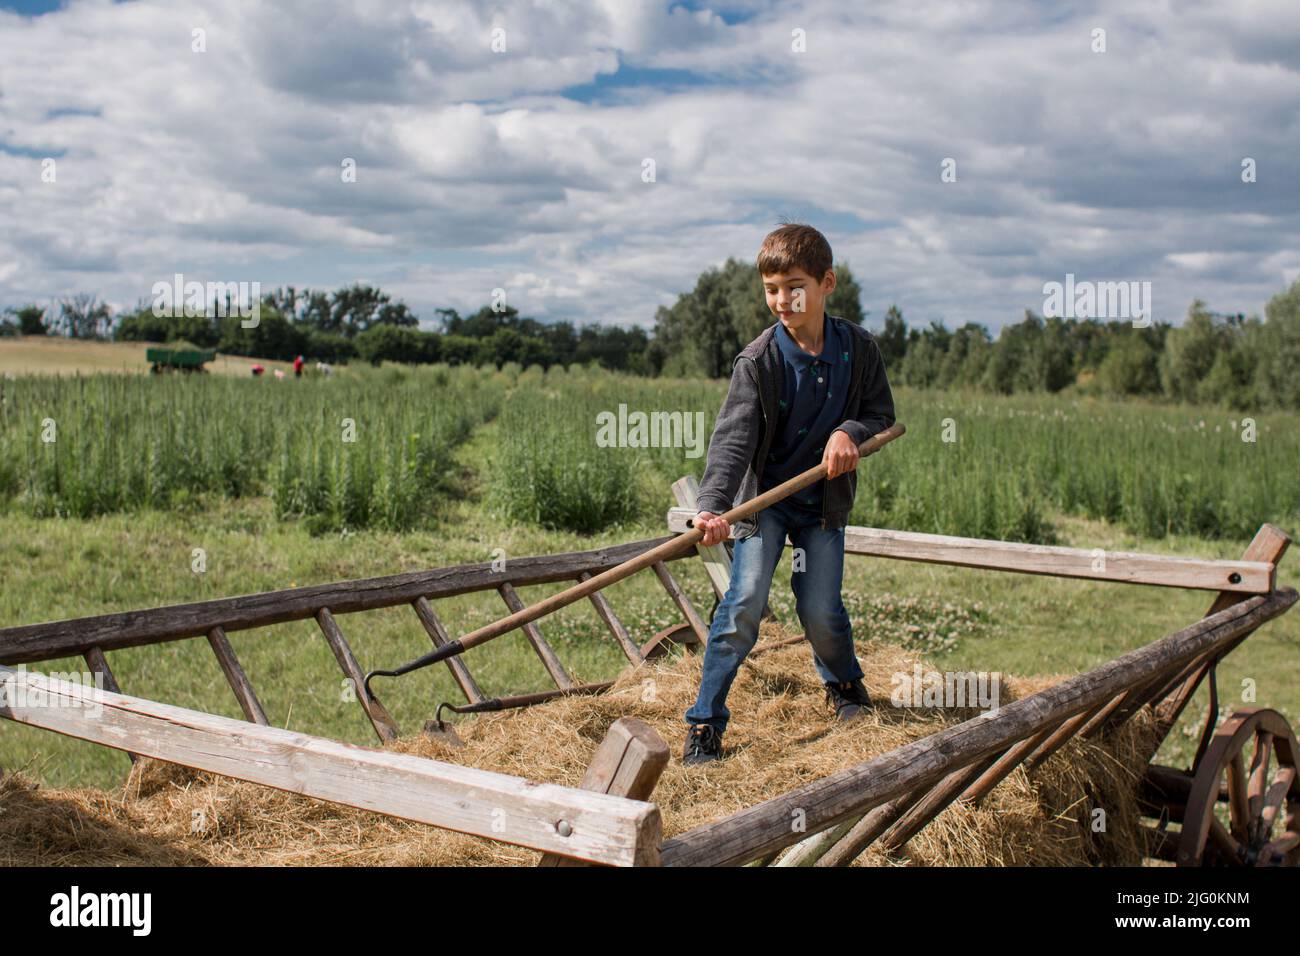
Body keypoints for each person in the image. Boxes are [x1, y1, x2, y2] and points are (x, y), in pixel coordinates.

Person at [682, 222, 896, 765]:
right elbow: (732, 442)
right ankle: (705, 723)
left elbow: (880, 416)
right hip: (766, 504)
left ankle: (845, 687)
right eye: (771, 289)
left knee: (820, 608)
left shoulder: (859, 350)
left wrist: (850, 432)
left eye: (794, 286)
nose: (781, 300)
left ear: (828, 282)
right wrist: (711, 508)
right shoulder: (758, 362)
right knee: (744, 602)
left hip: (822, 505)